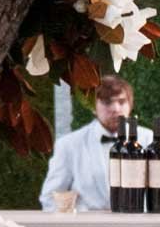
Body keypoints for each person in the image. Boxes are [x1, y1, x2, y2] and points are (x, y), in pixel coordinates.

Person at [40, 76, 134, 211]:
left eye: (122, 101)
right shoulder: (69, 145)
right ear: (93, 107)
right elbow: (50, 198)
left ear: (130, 105)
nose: (115, 108)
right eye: (107, 102)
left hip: (138, 223)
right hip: (87, 223)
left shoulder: (148, 140)